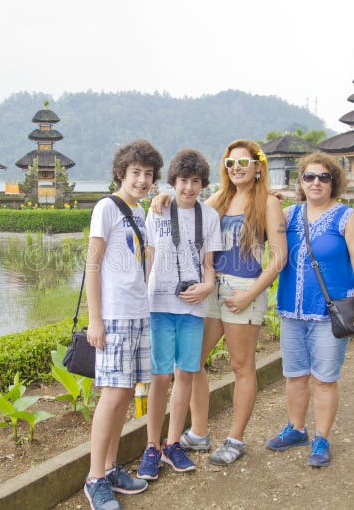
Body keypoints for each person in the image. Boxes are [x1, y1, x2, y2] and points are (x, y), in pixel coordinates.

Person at [152, 138, 287, 466]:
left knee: (242, 367)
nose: (237, 169)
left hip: (245, 290)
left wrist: (252, 294)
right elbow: (187, 203)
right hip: (211, 289)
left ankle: (235, 438)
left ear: (258, 166)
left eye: (244, 163)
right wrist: (163, 195)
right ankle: (198, 432)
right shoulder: (220, 199)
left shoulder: (267, 202)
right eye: (231, 164)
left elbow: (279, 257)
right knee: (192, 362)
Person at [265, 152, 354, 468]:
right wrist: (269, 201)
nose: (316, 182)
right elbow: (255, 223)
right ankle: (296, 428)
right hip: (291, 310)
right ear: (300, 182)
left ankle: (322, 437)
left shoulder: (346, 218)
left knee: (324, 379)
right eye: (309, 177)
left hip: (330, 313)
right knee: (295, 375)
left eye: (323, 177)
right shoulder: (288, 215)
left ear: (333, 182)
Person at [83, 140, 164, 510]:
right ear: (121, 172)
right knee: (112, 396)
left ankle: (112, 467)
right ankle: (95, 478)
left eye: (148, 175)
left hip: (138, 313)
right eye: (136, 173)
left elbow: (143, 261)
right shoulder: (106, 208)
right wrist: (94, 319)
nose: (142, 180)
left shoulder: (141, 210)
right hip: (113, 315)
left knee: (127, 393)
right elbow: (93, 265)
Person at [137, 149, 223, 480]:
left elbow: (209, 266)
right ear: (173, 182)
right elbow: (149, 257)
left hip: (193, 307)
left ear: (203, 183)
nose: (188, 188)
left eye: (196, 181)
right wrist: (140, 301)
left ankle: (173, 443)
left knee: (186, 373)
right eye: (183, 181)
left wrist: (207, 286)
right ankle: (151, 446)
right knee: (160, 377)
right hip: (159, 306)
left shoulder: (209, 216)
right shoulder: (158, 210)